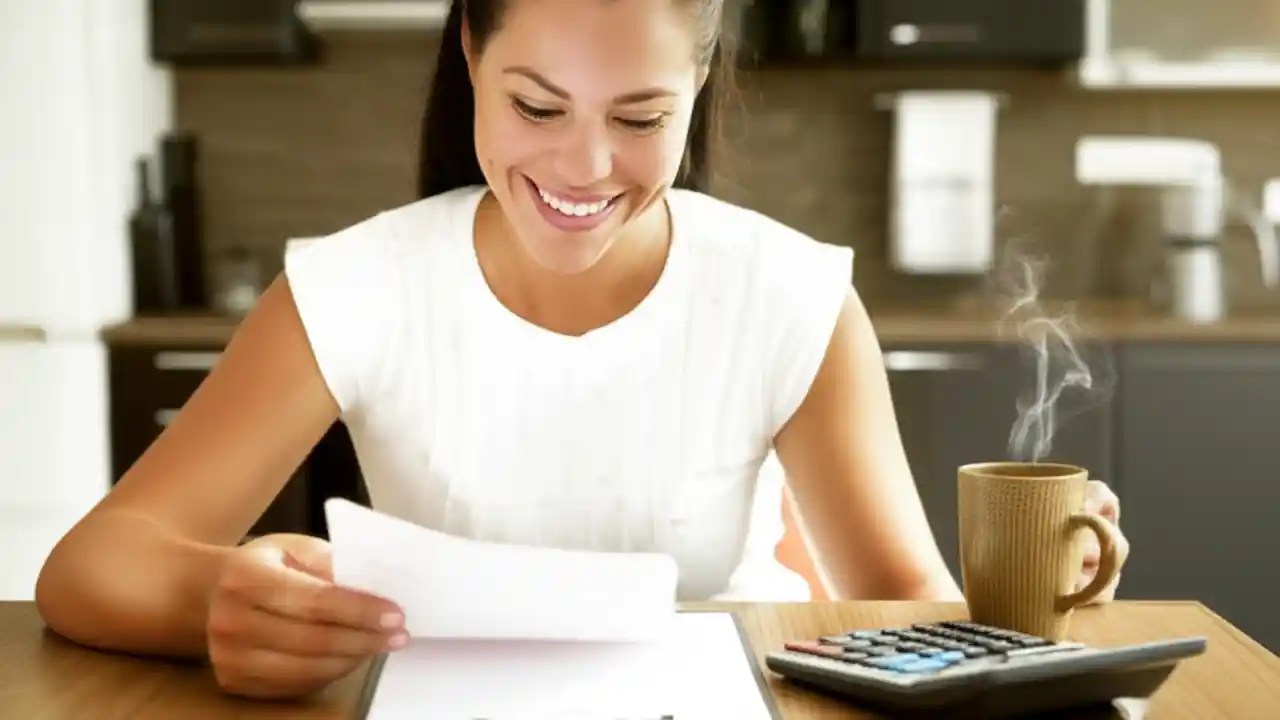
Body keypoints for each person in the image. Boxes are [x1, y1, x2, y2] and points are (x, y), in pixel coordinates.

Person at [34, 0, 1129, 702]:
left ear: (698, 86)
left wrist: (1035, 603)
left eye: (642, 116)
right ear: (469, 51)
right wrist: (218, 594)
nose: (585, 164)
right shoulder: (355, 285)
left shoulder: (788, 294)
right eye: (536, 105)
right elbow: (89, 569)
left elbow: (906, 611)